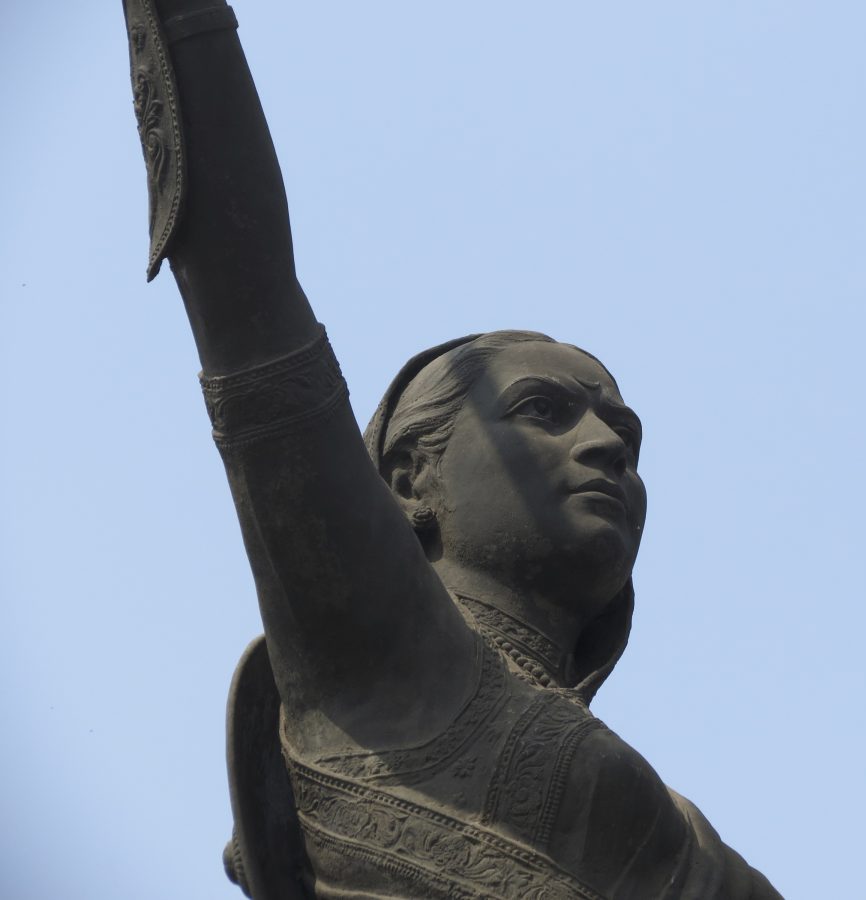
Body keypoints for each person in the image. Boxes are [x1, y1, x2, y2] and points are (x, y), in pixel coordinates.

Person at [120, 1, 782, 897]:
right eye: (545, 412)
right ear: (408, 479)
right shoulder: (373, 648)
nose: (606, 447)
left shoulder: (687, 839)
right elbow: (246, 287)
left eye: (625, 436)